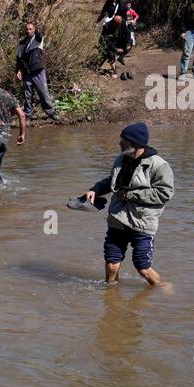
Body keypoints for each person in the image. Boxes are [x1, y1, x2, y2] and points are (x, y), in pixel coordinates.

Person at [79, 122, 174, 287]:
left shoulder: (159, 165)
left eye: (123, 140)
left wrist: (131, 195)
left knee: (143, 268)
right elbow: (112, 182)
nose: (120, 143)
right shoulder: (121, 159)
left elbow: (164, 193)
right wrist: (95, 190)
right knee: (112, 262)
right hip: (118, 219)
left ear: (136, 144)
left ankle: (163, 287)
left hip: (142, 223)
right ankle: (111, 293)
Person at [15, 21, 61, 122]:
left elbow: (40, 34)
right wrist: (19, 70)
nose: (28, 31)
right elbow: (19, 58)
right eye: (27, 29)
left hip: (38, 71)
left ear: (34, 30)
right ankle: (27, 116)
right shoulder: (22, 43)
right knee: (27, 95)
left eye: (30, 29)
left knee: (43, 93)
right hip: (27, 72)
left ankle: (52, 113)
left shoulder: (37, 39)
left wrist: (39, 27)